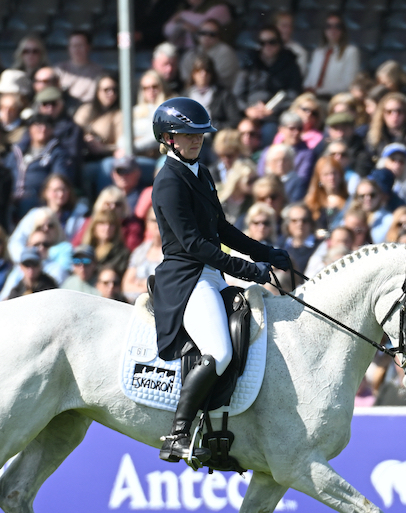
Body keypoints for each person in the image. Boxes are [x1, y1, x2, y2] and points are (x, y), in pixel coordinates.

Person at [146, 98, 290, 462]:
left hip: (209, 273)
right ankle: (178, 434)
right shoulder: (168, 183)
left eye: (200, 135)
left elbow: (221, 229)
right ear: (167, 138)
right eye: (187, 135)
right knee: (220, 351)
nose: (196, 141)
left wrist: (264, 252)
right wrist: (247, 270)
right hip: (186, 277)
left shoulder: (202, 172)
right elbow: (193, 244)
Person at [304, 14, 359, 98]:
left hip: (334, 98)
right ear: (324, 30)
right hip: (314, 97)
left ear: (343, 30)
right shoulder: (318, 52)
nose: (333, 29)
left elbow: (348, 83)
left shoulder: (350, 52)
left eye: (337, 26)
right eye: (328, 26)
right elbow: (310, 79)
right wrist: (307, 88)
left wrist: (319, 91)